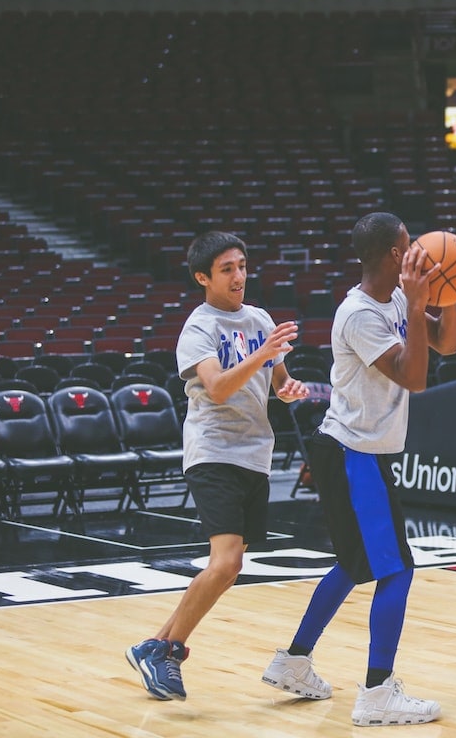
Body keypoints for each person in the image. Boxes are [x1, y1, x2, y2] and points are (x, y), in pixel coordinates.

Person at [261, 212, 456, 727]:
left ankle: (293, 660)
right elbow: (415, 377)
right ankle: (376, 692)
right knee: (397, 570)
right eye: (409, 244)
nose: (416, 251)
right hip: (353, 453)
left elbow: (446, 343)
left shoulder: (395, 299)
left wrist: (448, 293)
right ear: (394, 254)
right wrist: (417, 303)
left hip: (360, 451)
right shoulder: (359, 314)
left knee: (353, 564)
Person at [126, 231, 309, 702]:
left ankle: (155, 647)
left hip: (255, 454)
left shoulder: (260, 318)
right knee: (225, 561)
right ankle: (170, 651)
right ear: (203, 277)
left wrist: (288, 388)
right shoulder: (199, 328)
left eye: (242, 266)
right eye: (227, 269)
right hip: (213, 451)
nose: (239, 276)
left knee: (230, 568)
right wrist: (262, 353)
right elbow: (219, 388)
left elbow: (277, 380)